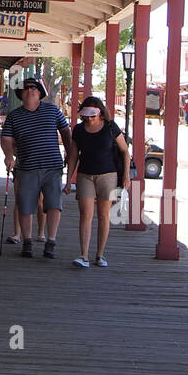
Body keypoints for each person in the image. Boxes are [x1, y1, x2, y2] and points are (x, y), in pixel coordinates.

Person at [0, 79, 71, 259]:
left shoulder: (53, 110)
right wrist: (9, 156)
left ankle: (51, 241)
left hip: (52, 166)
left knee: (54, 204)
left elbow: (65, 131)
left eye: (34, 88)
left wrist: (70, 153)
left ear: (40, 92)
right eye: (26, 88)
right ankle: (27, 242)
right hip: (26, 167)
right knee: (25, 205)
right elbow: (6, 139)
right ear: (21, 94)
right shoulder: (14, 116)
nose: (30, 91)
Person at [64, 95, 129, 268]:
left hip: (108, 175)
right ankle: (83, 255)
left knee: (104, 215)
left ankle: (100, 254)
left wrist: (126, 176)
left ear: (101, 113)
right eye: (87, 115)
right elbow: (73, 155)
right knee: (86, 214)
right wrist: (68, 178)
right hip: (85, 175)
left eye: (93, 115)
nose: (90, 119)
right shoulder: (78, 130)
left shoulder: (110, 127)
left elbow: (125, 151)